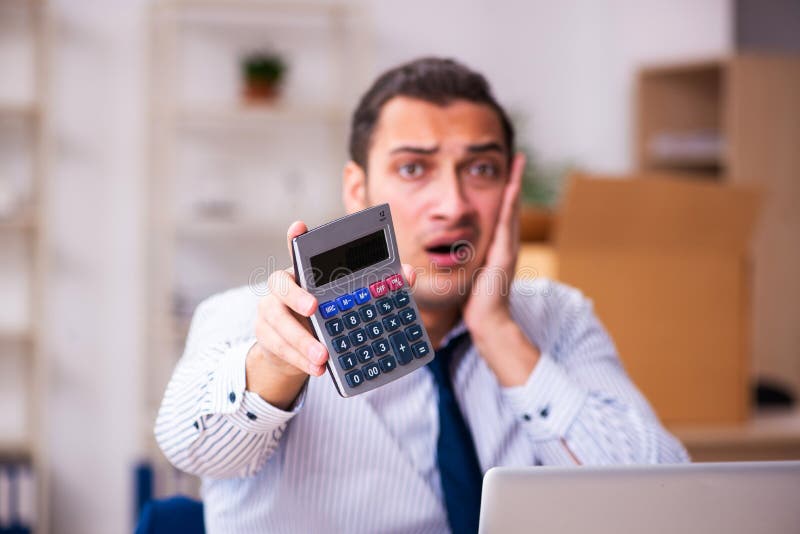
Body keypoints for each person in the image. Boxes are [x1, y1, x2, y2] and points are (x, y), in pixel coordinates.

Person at [155, 57, 689, 533]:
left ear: (510, 190)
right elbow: (189, 447)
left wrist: (499, 332)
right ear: (357, 190)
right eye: (413, 168)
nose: (452, 204)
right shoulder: (257, 318)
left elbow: (667, 502)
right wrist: (274, 366)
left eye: (481, 170)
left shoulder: (558, 315)